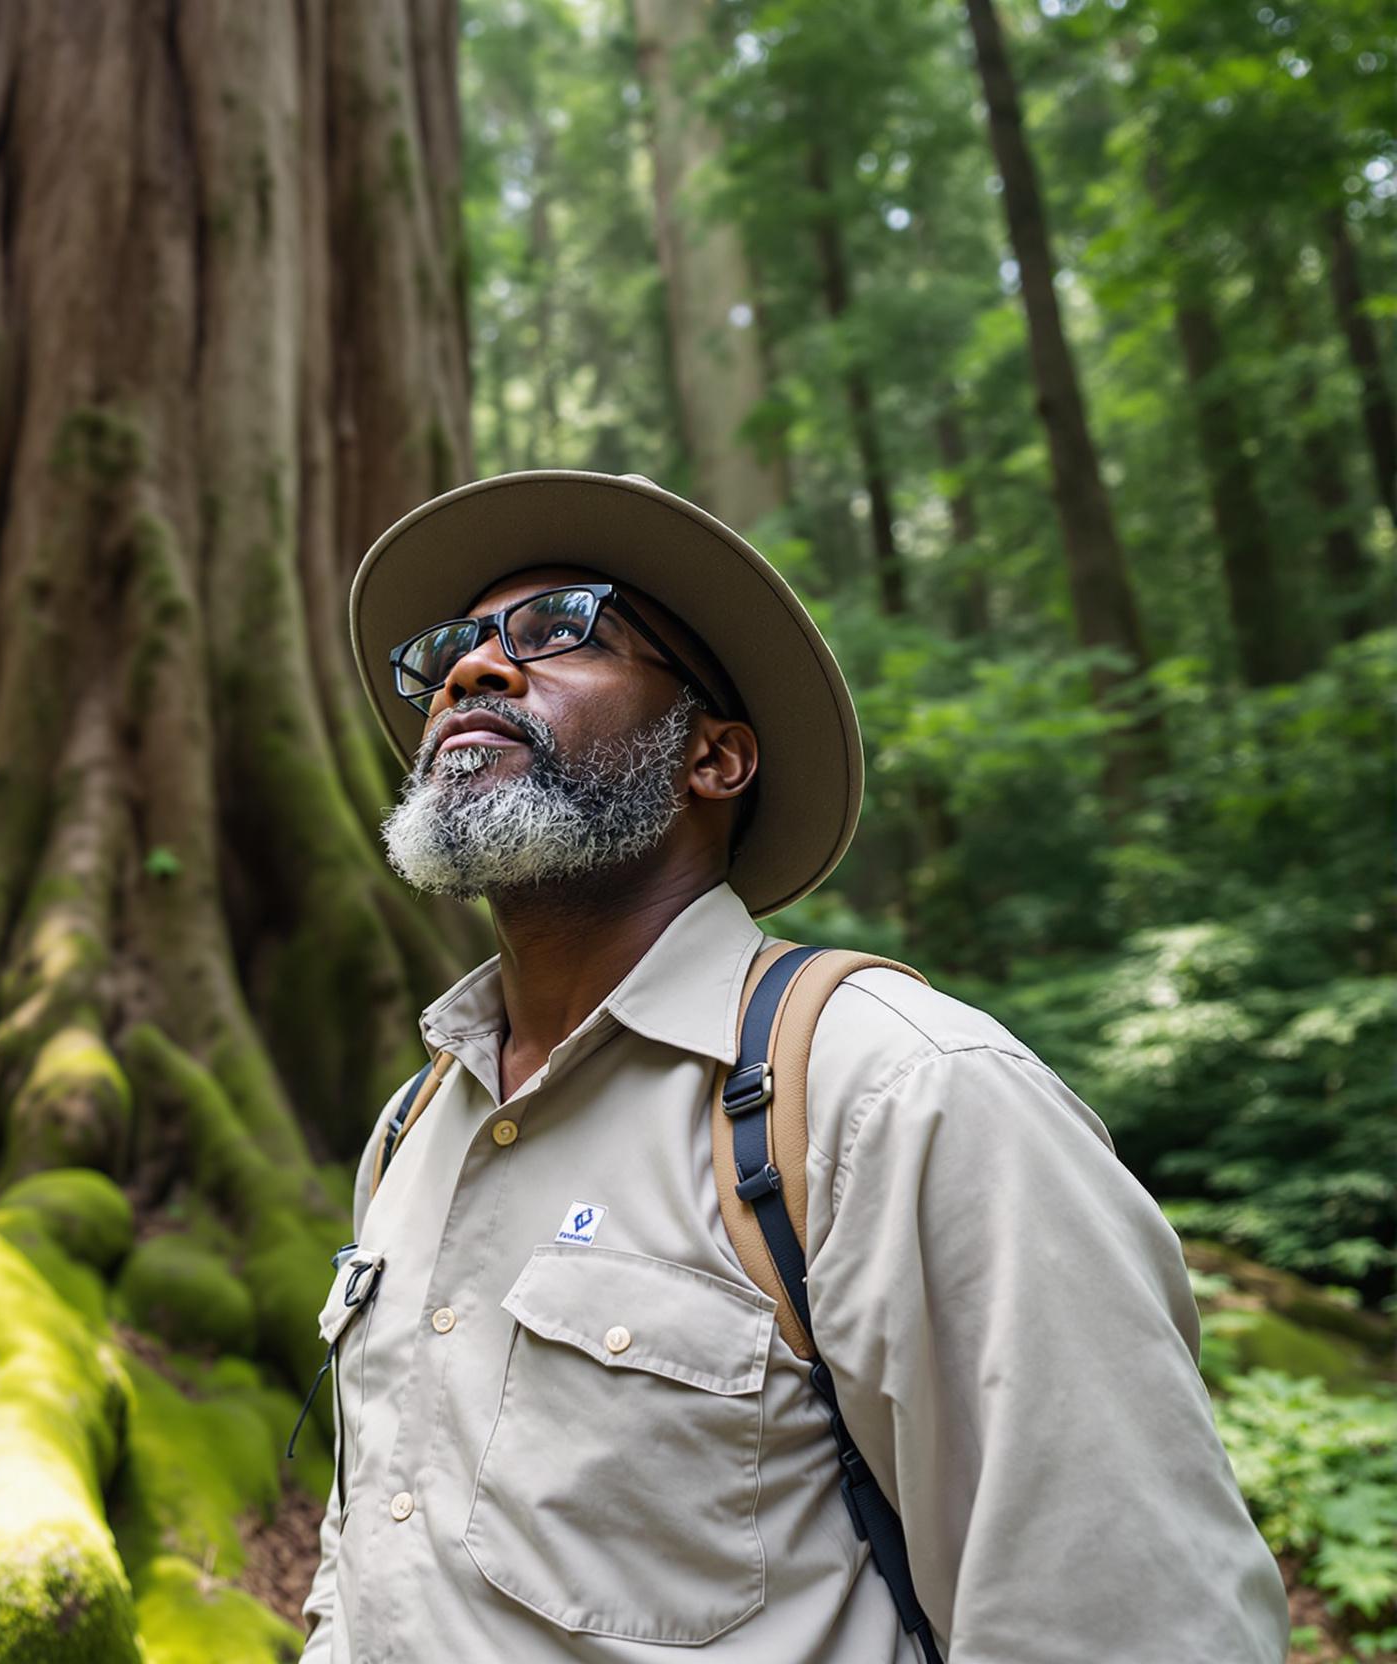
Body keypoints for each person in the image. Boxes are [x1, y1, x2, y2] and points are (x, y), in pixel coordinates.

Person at [300, 470, 1288, 1662]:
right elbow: (372, 1548)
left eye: (566, 630)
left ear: (713, 758)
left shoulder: (899, 1090)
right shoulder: (418, 1126)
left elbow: (1130, 1621)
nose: (473, 669)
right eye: (455, 649)